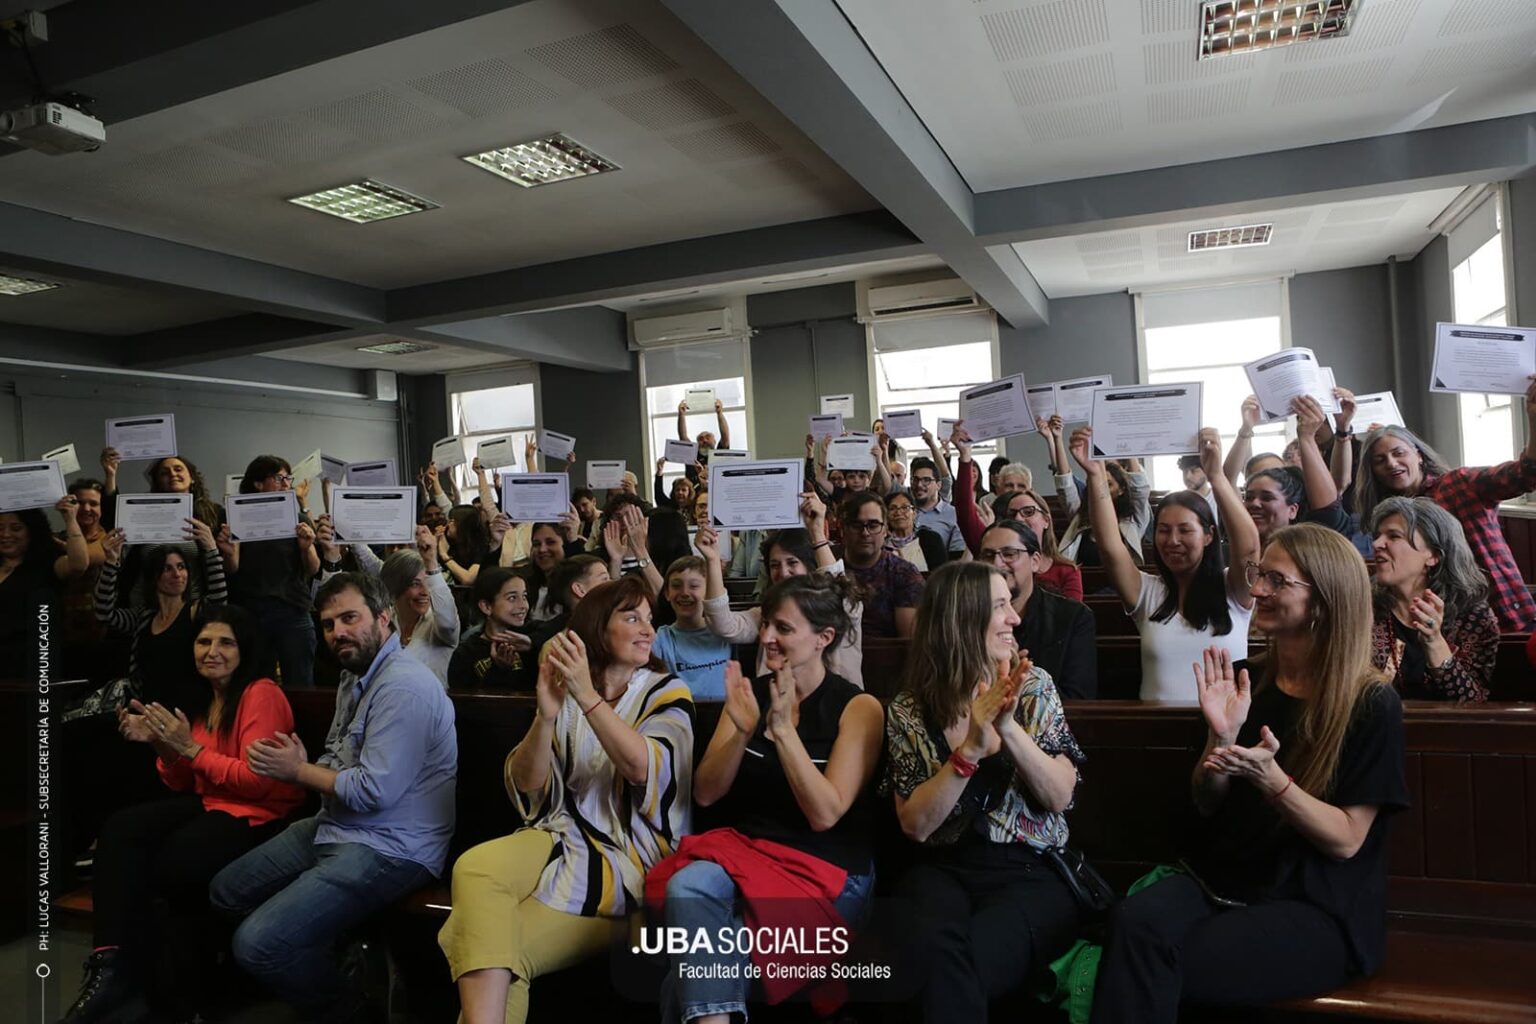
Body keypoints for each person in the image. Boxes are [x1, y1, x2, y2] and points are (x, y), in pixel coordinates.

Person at [1090, 525, 1409, 1023]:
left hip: (1315, 903)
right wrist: (1221, 739)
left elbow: (1346, 840)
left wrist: (1273, 780)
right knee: (1132, 924)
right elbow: (1206, 801)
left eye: (1277, 581)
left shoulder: (1370, 702)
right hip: (1226, 880)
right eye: (1259, 575)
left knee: (1168, 961)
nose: (1257, 589)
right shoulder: (1245, 678)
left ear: (1323, 600)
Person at [437, 576, 694, 1024]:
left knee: (492, 947)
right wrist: (546, 715)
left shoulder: (666, 691)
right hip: (561, 832)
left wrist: (586, 696)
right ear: (597, 627)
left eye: (650, 619)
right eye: (632, 617)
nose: (648, 629)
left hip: (630, 856)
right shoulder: (570, 694)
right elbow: (530, 788)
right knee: (474, 867)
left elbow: (644, 770)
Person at [210, 572, 457, 1022]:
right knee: (226, 891)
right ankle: (346, 960)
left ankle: (354, 1009)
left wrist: (299, 771)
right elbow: (335, 754)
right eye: (327, 624)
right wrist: (309, 762)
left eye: (349, 618)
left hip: (394, 846)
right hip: (337, 824)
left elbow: (375, 792)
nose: (337, 632)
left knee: (258, 942)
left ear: (383, 619)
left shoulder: (403, 686)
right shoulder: (355, 675)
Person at [651, 573, 882, 1022]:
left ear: (824, 638)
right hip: (748, 854)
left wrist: (782, 732)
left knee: (692, 964)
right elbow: (706, 792)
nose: (767, 638)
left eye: (783, 628)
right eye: (766, 626)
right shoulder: (748, 694)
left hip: (830, 870)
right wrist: (740, 729)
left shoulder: (858, 708)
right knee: (687, 883)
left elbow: (825, 814)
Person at [59, 606, 304, 1024]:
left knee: (173, 862)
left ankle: (168, 986)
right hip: (212, 802)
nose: (212, 651)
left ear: (244, 649)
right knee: (120, 830)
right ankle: (110, 966)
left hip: (260, 814)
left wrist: (189, 749)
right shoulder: (202, 697)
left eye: (225, 642)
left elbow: (258, 783)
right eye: (204, 641)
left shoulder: (261, 692)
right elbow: (181, 782)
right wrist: (159, 744)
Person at [882, 562, 1086, 1022]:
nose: (1015, 617)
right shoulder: (911, 709)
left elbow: (1059, 798)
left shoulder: (1034, 687)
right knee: (934, 949)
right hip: (942, 868)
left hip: (1030, 869)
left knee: (958, 964)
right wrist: (971, 749)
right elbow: (915, 826)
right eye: (999, 606)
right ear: (960, 618)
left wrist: (1007, 729)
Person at [1071, 426, 1258, 700]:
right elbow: (1111, 549)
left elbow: (1250, 547)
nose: (1172, 540)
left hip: (1226, 735)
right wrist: (1096, 474)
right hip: (1157, 736)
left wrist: (1216, 477)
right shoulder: (1147, 592)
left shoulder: (1234, 589)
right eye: (1163, 530)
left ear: (1208, 536)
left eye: (1185, 530)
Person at [1352, 379, 1536, 631]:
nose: (1392, 463)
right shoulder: (1386, 518)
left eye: (1398, 453)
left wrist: (1533, 420)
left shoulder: (1458, 484)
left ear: (1418, 454)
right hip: (1443, 631)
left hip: (1507, 619)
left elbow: (1525, 473)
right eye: (1380, 459)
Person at [699, 493, 866, 687]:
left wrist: (817, 535)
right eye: (774, 565)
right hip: (777, 704)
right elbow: (723, 625)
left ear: (810, 566)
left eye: (792, 563)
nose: (783, 572)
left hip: (838, 709)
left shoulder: (841, 610)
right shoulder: (767, 615)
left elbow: (842, 595)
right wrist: (712, 559)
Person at [1367, 497, 1496, 702]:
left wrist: (1434, 642)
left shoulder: (1472, 614)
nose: (1376, 543)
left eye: (1394, 536)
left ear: (1433, 555)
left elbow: (1473, 703)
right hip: (1378, 728)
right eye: (1378, 535)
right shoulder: (1364, 606)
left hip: (1450, 731)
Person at [94, 521, 227, 714]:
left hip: (187, 711)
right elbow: (104, 613)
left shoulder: (196, 611)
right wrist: (111, 562)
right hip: (146, 711)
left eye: (181, 567)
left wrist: (212, 550)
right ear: (154, 576)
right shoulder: (144, 617)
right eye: (167, 569)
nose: (177, 574)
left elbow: (219, 600)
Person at [954, 425, 1083, 601]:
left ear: (1046, 520)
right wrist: (965, 456)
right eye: (1012, 513)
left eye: (1028, 511)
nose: (1019, 518)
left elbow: (1072, 619)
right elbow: (964, 513)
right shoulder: (995, 557)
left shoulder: (1066, 570)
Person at [322, 521, 460, 686]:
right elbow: (336, 607)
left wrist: (431, 562)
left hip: (422, 706)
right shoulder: (383, 620)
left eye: (428, 583)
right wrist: (336, 547)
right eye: (415, 584)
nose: (425, 592)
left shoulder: (439, 626)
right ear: (397, 587)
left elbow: (447, 622)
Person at [226, 455, 321, 687]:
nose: (286, 484)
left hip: (293, 609)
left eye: (288, 478)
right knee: (257, 685)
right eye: (279, 478)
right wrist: (229, 551)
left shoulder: (297, 518)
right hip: (250, 611)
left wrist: (307, 547)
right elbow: (232, 569)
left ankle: (301, 725)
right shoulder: (235, 516)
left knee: (300, 684)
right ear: (258, 483)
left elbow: (313, 568)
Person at [980, 520, 1097, 699]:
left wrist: (1022, 675)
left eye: (1009, 554)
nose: (996, 564)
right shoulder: (966, 616)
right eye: (988, 556)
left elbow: (1079, 700)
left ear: (1035, 561)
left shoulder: (1072, 617)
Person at [1046, 417, 1152, 567]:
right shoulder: (1080, 516)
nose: (1102, 490)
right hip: (1084, 588)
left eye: (1109, 485)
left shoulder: (1134, 518)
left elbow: (1139, 489)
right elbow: (1065, 487)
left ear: (1122, 489)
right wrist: (1057, 439)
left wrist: (1126, 439)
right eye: (1095, 485)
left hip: (1120, 589)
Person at [1, 500, 89, 677]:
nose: (6, 534)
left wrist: (70, 519)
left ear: (32, 531)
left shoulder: (46, 565)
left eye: (16, 528)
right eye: (0, 528)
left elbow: (78, 565)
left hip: (29, 668)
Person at [838, 491, 923, 639]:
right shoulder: (829, 567)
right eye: (857, 525)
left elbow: (908, 643)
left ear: (885, 530)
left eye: (873, 525)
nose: (865, 533)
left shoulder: (904, 573)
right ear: (844, 530)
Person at [652, 555, 732, 699]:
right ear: (667, 593)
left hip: (723, 715)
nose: (684, 593)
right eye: (676, 586)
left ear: (709, 592)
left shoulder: (725, 632)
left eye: (694, 586)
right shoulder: (662, 639)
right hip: (680, 716)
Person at [448, 567, 535, 690]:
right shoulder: (466, 653)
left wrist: (533, 644)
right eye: (512, 598)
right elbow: (466, 703)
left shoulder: (532, 639)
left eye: (524, 596)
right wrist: (498, 669)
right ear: (486, 607)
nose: (523, 605)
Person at [909, 454, 967, 561]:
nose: (919, 485)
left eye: (926, 480)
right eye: (915, 480)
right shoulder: (904, 511)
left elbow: (957, 557)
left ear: (939, 485)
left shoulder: (953, 515)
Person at [885, 491, 946, 571]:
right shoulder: (881, 544)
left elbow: (941, 575)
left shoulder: (930, 539)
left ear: (914, 513)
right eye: (892, 508)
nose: (898, 512)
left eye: (905, 507)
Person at [438, 503, 493, 587]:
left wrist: (445, 556)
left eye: (452, 521)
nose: (448, 525)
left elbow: (468, 579)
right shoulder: (446, 541)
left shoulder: (482, 547)